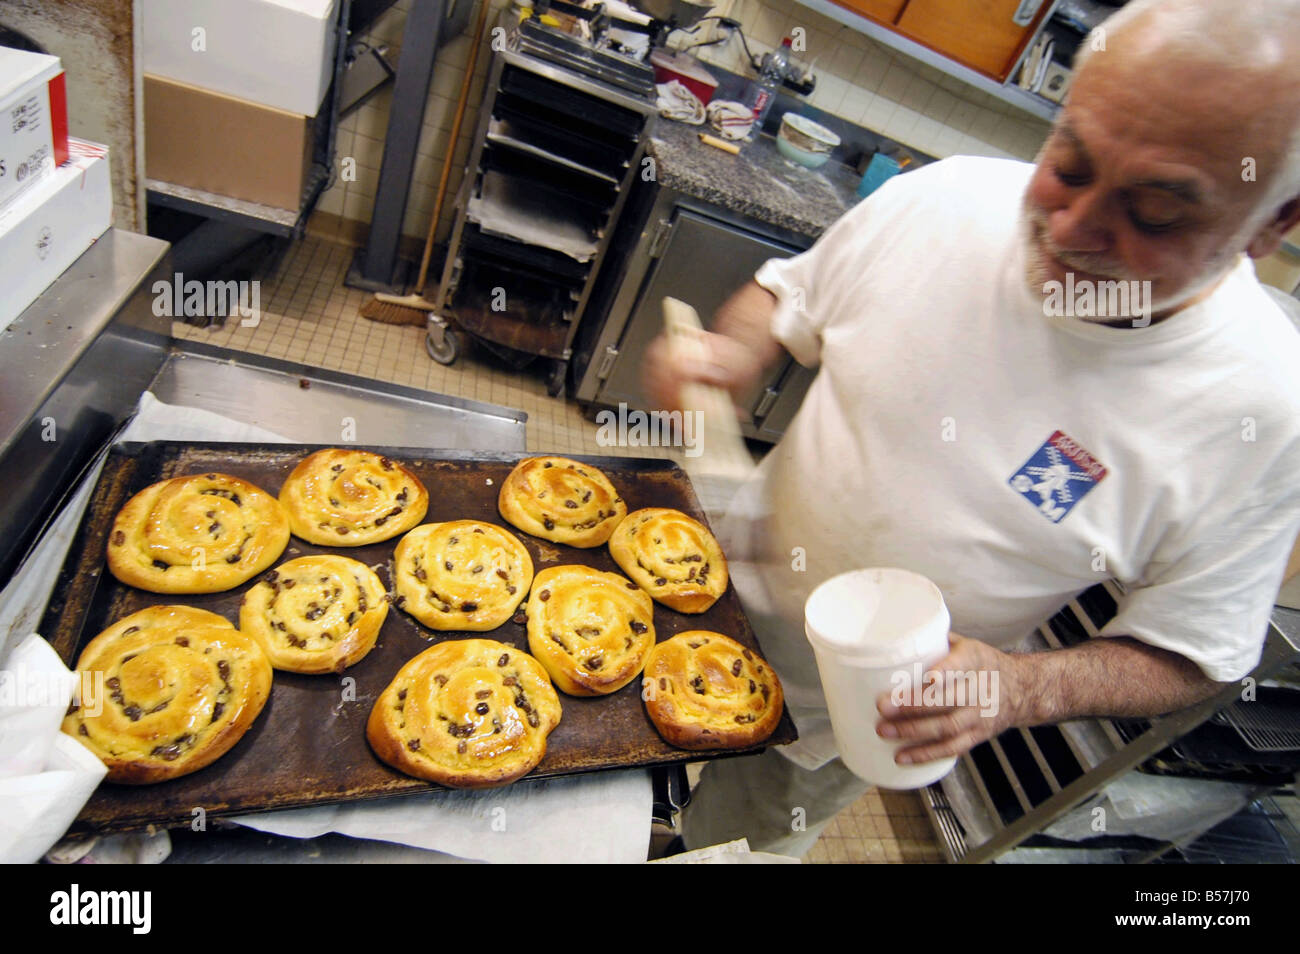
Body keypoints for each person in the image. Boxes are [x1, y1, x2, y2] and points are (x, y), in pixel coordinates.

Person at [643, 0, 1300, 857]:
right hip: (695, 589)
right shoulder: (947, 200)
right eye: (1070, 163)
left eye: (1156, 215)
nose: (1071, 230)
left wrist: (1020, 687)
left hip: (843, 712)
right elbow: (787, 295)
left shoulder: (1261, 411)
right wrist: (733, 352)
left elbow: (1194, 651)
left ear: (1271, 228)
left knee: (725, 851)